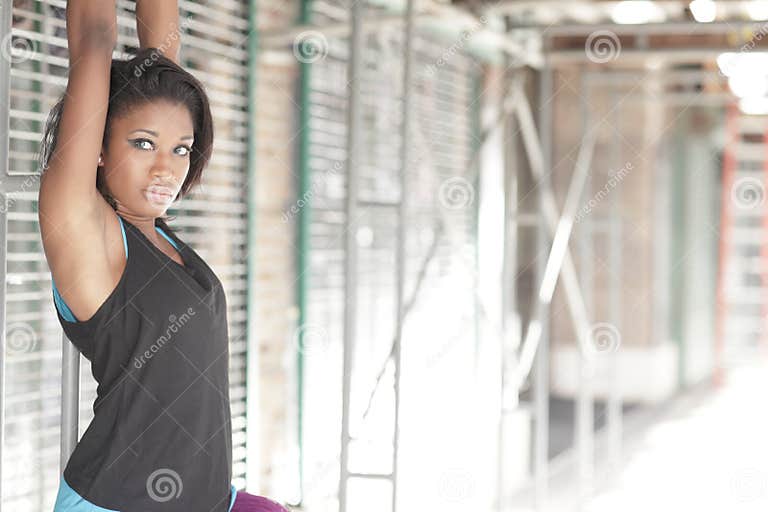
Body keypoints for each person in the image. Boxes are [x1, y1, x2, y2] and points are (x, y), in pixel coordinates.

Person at [37, 1, 288, 510]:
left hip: (211, 497)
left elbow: (161, 64)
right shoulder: (86, 229)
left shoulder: (157, 233)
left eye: (180, 149)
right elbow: (93, 42)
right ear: (98, 148)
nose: (166, 170)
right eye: (143, 143)